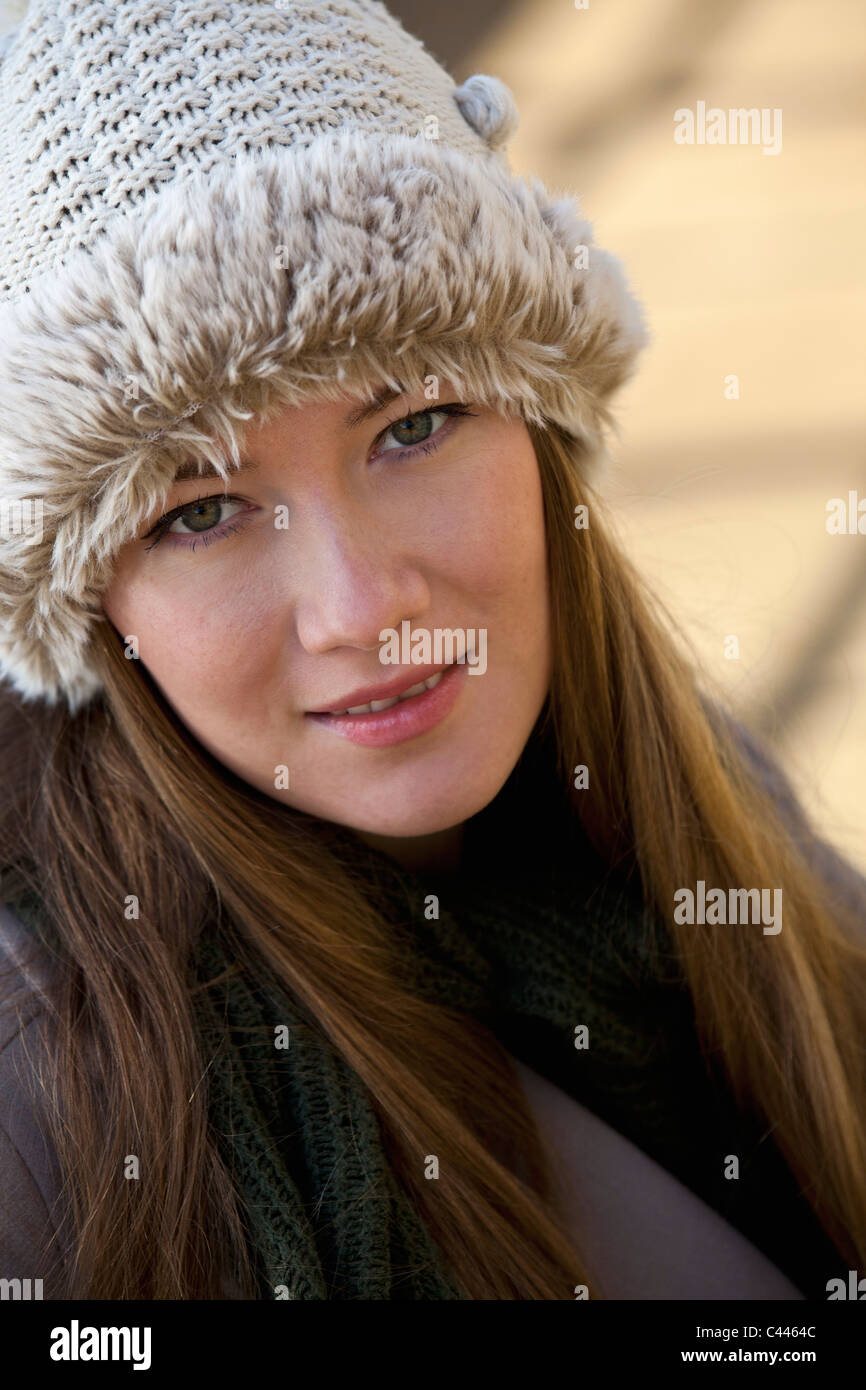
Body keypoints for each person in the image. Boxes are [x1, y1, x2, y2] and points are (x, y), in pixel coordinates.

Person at [0, 0, 863, 1302]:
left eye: (414, 426)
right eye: (199, 511)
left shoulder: (695, 802)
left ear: (536, 423)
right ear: (86, 606)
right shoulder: (48, 1093)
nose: (359, 607)